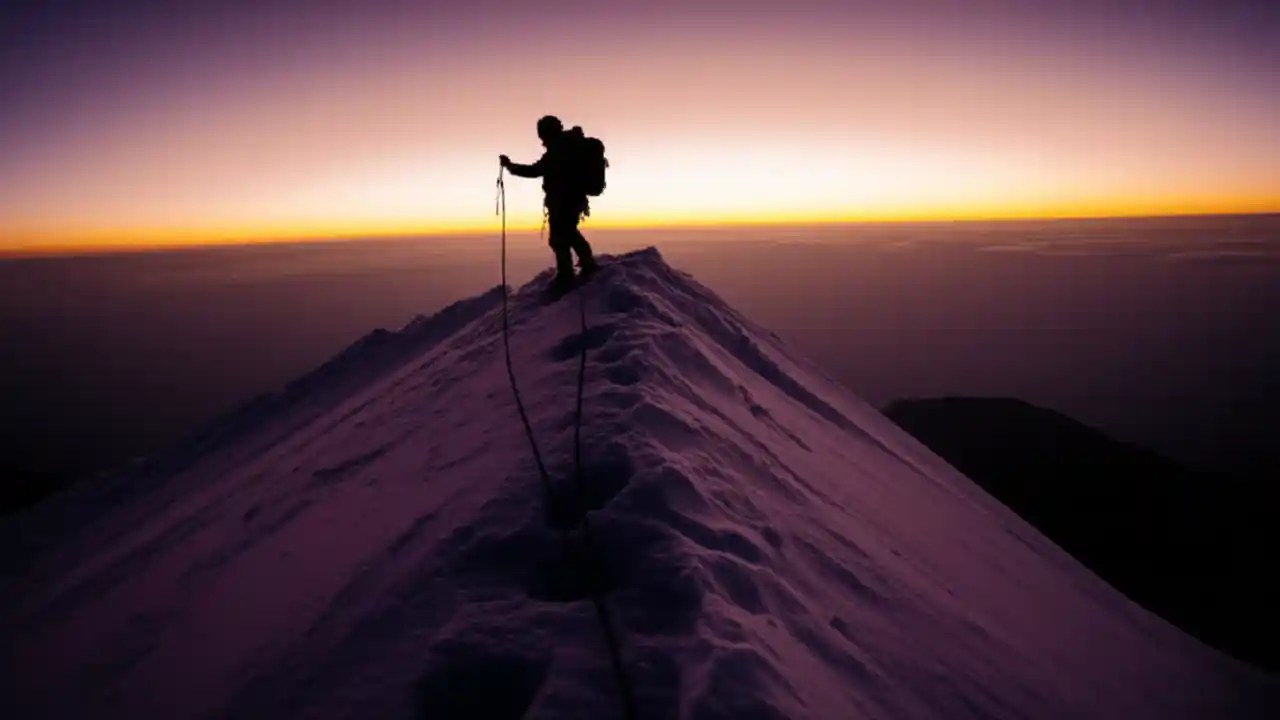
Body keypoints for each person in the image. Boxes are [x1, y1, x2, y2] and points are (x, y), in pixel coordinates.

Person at [500, 115, 599, 293]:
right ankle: (586, 264)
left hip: (563, 201)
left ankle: (567, 274)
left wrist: (510, 167)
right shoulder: (567, 146)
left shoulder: (558, 150)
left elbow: (535, 170)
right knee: (569, 233)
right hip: (572, 200)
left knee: (560, 238)